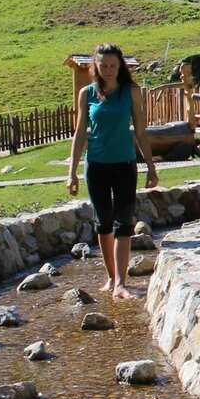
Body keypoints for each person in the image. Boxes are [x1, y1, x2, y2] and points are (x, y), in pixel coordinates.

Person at [66, 44, 158, 299]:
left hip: (124, 164)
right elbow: (79, 132)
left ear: (120, 67)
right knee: (103, 223)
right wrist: (71, 172)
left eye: (113, 65)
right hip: (95, 164)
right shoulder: (87, 94)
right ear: (95, 66)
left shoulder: (131, 92)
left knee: (124, 222)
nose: (108, 70)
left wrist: (151, 167)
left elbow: (140, 131)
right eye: (103, 65)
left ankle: (121, 282)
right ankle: (110, 277)